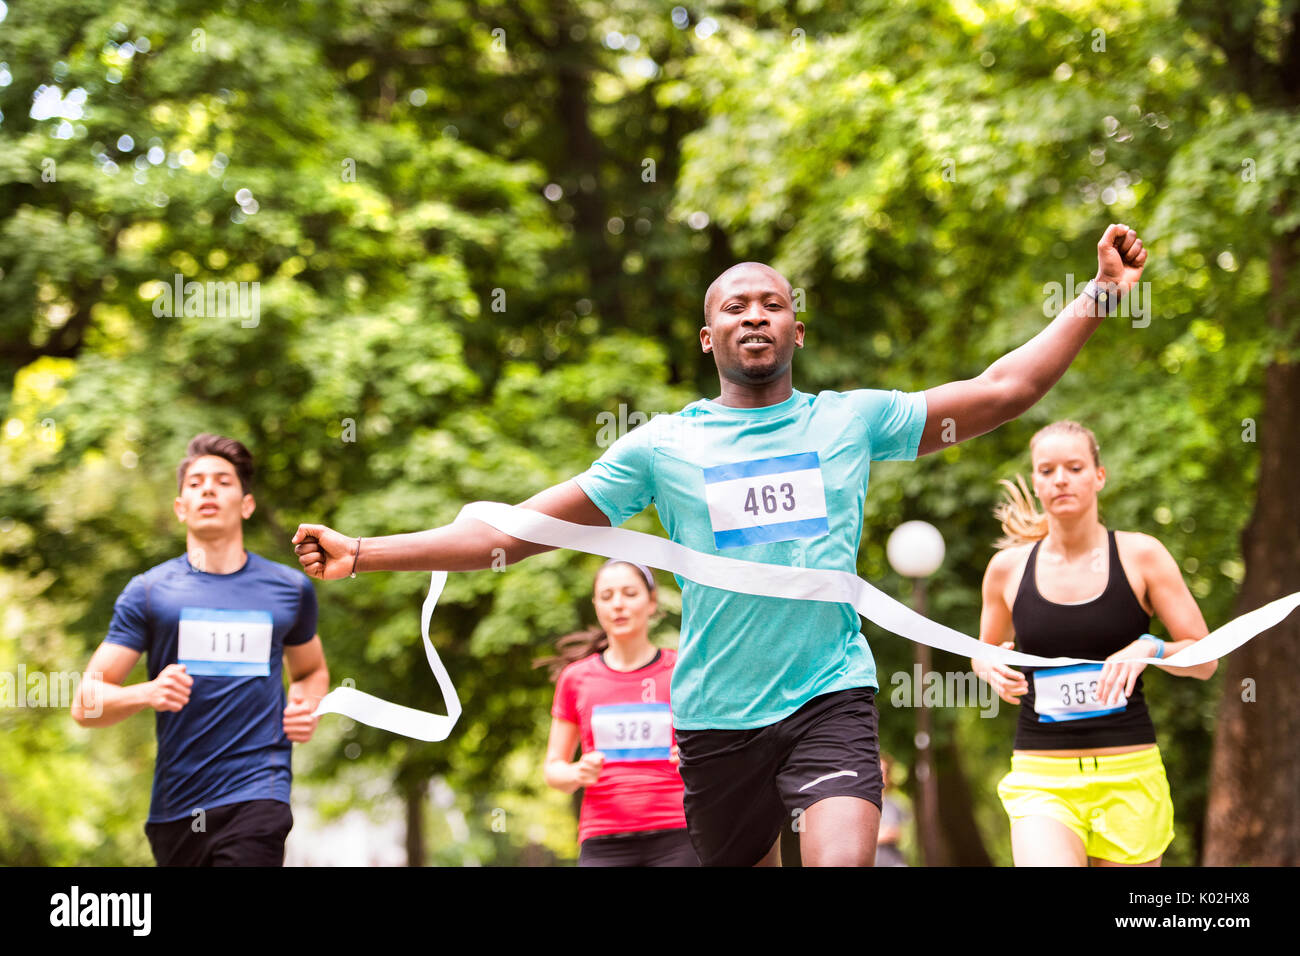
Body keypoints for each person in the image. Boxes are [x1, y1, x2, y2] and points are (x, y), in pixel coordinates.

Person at [293, 224, 1148, 866]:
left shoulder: (846, 421)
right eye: (733, 306)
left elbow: (1006, 389)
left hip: (829, 695)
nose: (754, 315)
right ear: (710, 339)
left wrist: (1100, 293)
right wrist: (365, 551)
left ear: (795, 332)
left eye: (772, 303)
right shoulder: (662, 448)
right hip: (715, 720)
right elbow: (508, 536)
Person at [71, 434, 329, 866]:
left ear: (246, 504)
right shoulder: (149, 593)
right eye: (195, 483)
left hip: (258, 792)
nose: (208, 488)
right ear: (180, 507)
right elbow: (86, 704)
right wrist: (147, 693)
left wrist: (307, 707)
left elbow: (310, 672)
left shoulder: (289, 589)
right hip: (178, 807)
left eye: (223, 481)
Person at [972, 420, 1217, 866]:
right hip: (1042, 780)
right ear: (1035, 481)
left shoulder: (1142, 555)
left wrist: (1152, 647)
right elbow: (985, 652)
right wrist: (987, 667)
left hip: (1131, 777)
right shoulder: (1006, 570)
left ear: (1098, 475)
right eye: (1046, 470)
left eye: (1074, 467)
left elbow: (1205, 661)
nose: (1060, 479)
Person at [537, 560, 698, 866]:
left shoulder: (682, 671)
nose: (618, 605)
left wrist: (695, 758)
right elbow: (553, 770)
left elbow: (717, 751)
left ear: (652, 602)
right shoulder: (575, 678)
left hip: (679, 833)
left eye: (629, 593)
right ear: (596, 605)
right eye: (607, 596)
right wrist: (576, 772)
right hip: (603, 837)